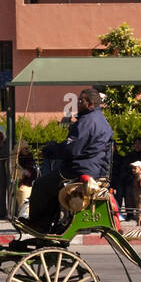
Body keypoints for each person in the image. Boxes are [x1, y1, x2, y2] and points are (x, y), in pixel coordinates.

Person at [28, 87, 114, 233]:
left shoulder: (87, 121)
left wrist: (49, 149)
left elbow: (72, 149)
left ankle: (38, 224)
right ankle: (48, 224)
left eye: (81, 101)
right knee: (52, 187)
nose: (77, 104)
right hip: (94, 168)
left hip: (80, 169)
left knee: (40, 185)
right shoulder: (100, 120)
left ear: (90, 104)